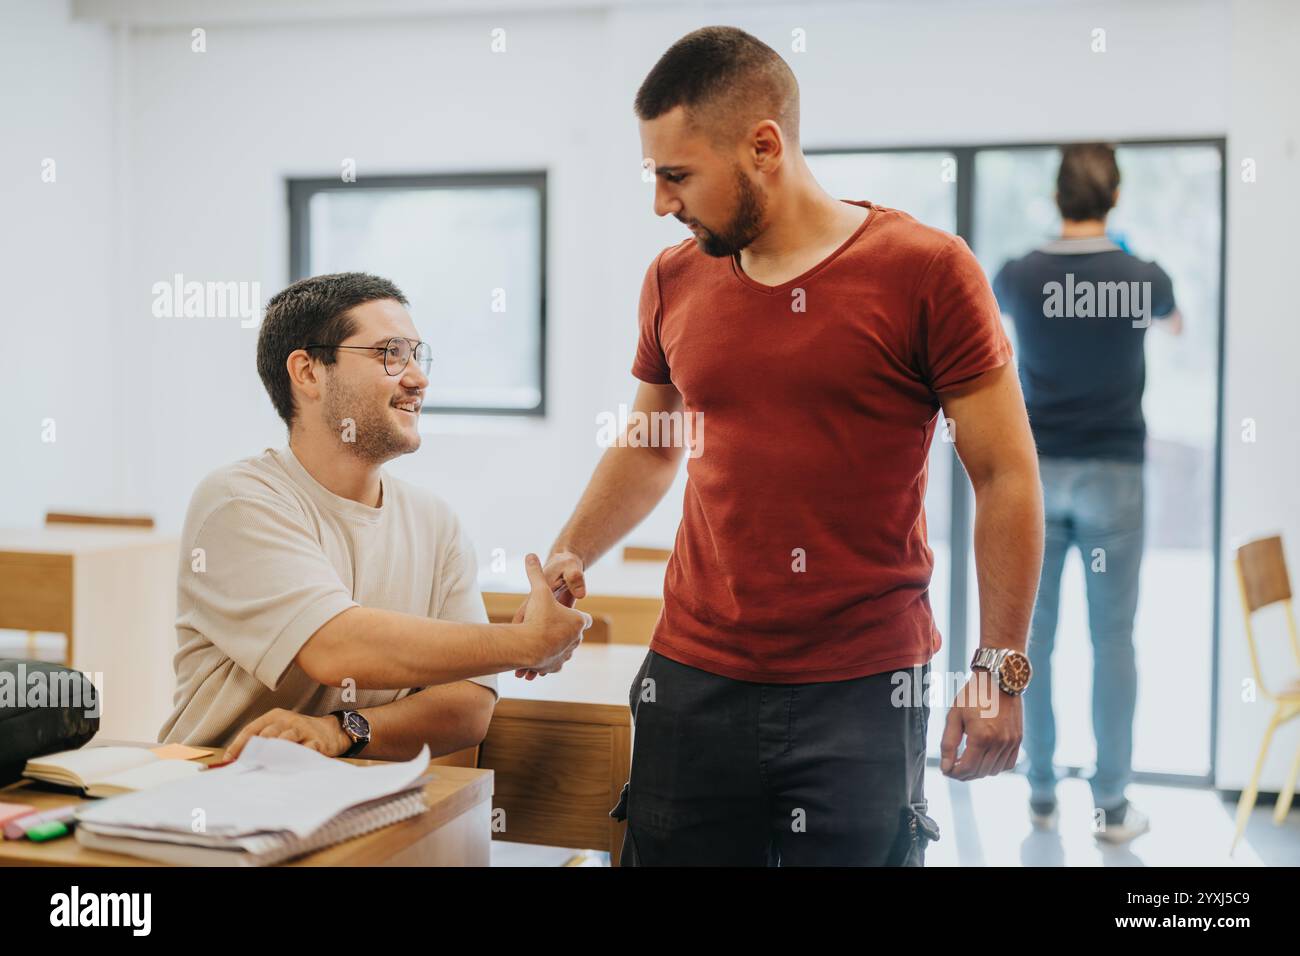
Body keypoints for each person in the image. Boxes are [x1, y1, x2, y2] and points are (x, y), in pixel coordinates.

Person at [521, 27, 1044, 865]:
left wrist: (1000, 669)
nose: (661, 201)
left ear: (764, 146)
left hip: (865, 687)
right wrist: (567, 555)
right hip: (690, 675)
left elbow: (1005, 472)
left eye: (677, 174)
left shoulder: (927, 271)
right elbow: (654, 443)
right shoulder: (673, 278)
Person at [159, 272, 589, 760]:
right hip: (215, 793)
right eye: (390, 353)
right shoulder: (239, 501)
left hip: (358, 803)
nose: (418, 377)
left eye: (416, 355)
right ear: (307, 372)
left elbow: (467, 707)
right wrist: (525, 644)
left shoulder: (434, 521)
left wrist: (342, 730)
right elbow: (335, 647)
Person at [992, 143, 1182, 843]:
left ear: (1057, 196)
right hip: (1115, 476)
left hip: (1037, 475)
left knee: (1033, 638)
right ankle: (1110, 807)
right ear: (1115, 195)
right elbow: (1175, 321)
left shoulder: (1017, 275)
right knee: (1113, 641)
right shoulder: (1142, 275)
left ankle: (1039, 792)